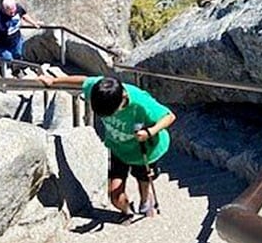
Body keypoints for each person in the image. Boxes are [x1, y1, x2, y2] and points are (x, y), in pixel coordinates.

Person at [38, 72, 175, 222]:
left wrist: (150, 132)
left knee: (143, 179)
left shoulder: (140, 102)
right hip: (118, 149)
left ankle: (145, 200)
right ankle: (127, 211)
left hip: (145, 150)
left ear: (122, 99)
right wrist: (53, 80)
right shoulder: (101, 90)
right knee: (114, 195)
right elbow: (83, 81)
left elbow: (169, 116)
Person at [0, 0, 42, 70]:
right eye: (10, 12)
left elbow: (23, 15)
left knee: (19, 54)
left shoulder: (17, 8)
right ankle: (8, 71)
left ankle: (18, 69)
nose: (13, 13)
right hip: (3, 44)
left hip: (16, 39)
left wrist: (34, 23)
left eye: (14, 11)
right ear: (4, 9)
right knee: (8, 59)